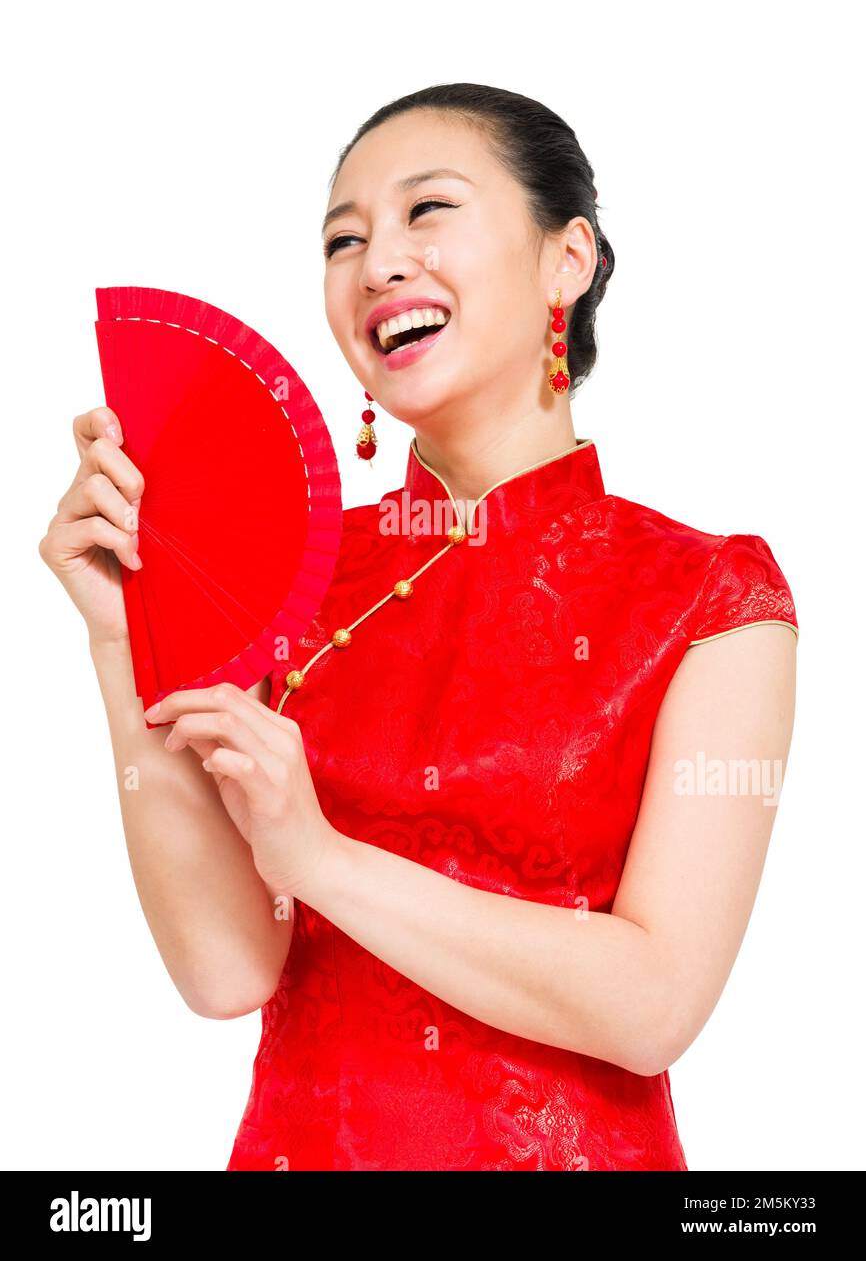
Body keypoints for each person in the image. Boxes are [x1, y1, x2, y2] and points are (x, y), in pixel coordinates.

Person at [39, 83, 798, 1171]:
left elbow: (653, 1002)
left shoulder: (705, 595)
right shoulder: (287, 572)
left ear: (565, 258)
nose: (376, 262)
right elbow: (226, 973)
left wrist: (320, 860)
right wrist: (124, 641)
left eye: (425, 211)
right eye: (342, 240)